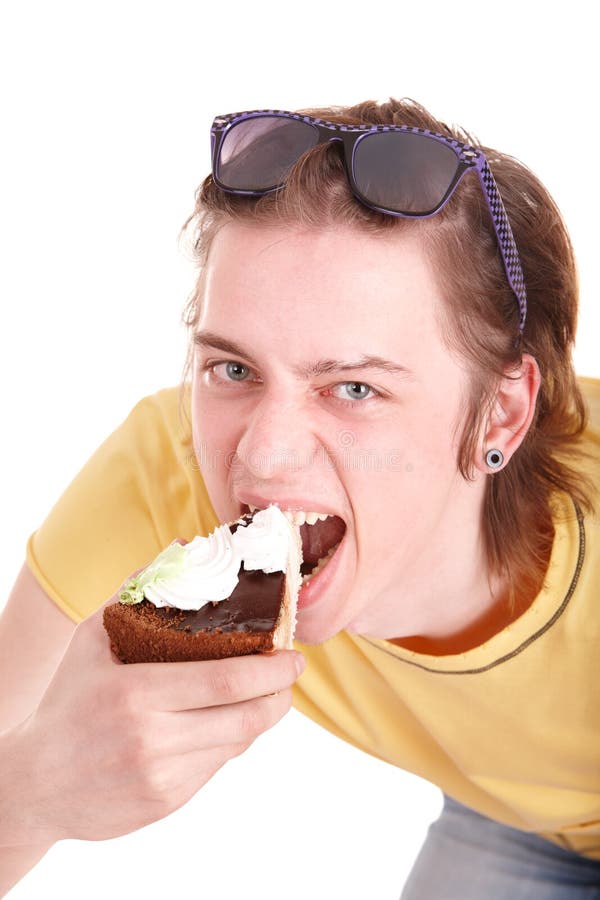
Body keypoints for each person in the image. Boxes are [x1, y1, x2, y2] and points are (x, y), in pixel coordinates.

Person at [1, 97, 599, 898]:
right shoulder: (162, 471)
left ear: (502, 410)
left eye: (353, 386)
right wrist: (30, 795)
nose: (262, 453)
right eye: (234, 371)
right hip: (517, 812)